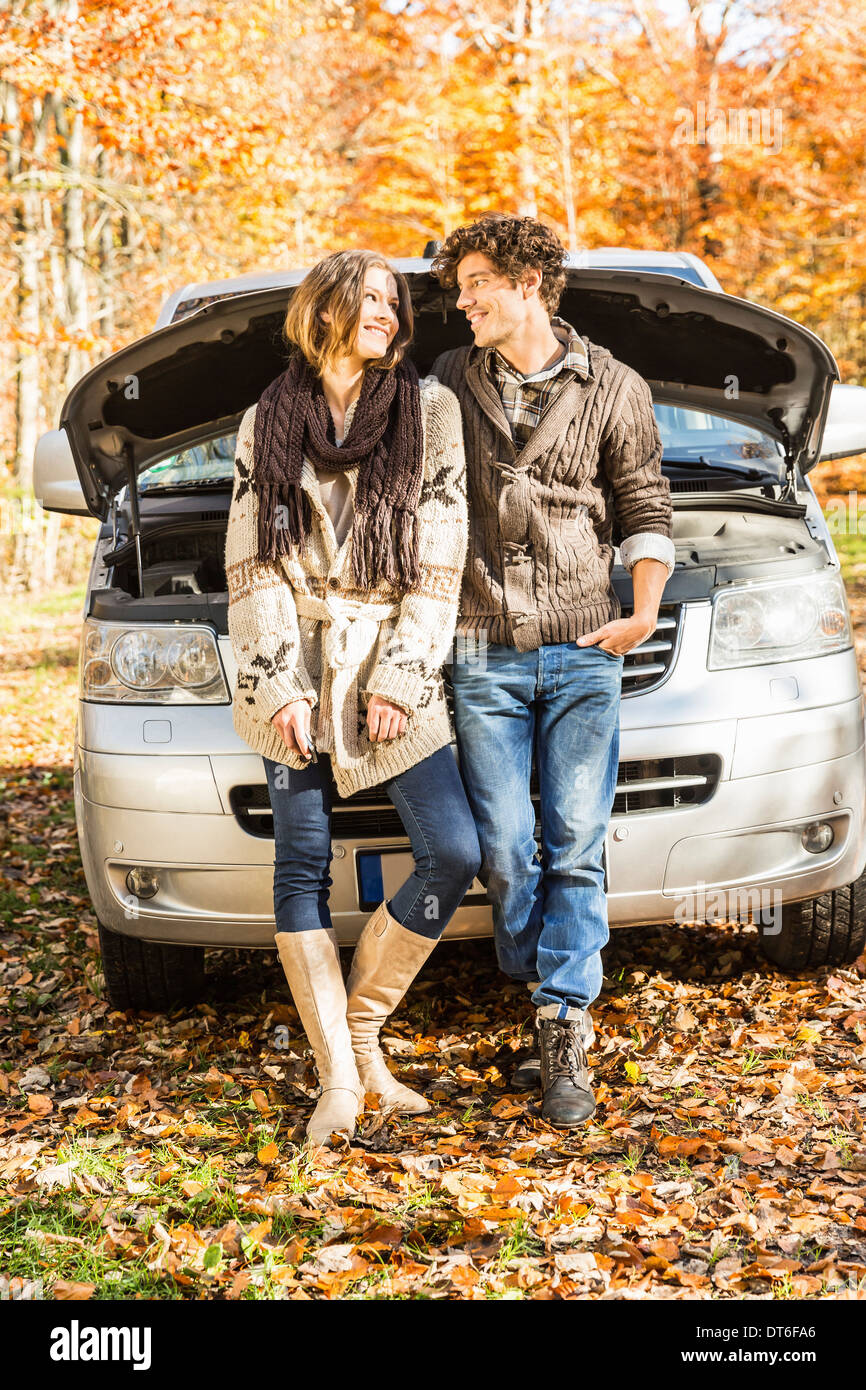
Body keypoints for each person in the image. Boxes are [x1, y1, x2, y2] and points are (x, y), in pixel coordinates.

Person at [225, 249, 481, 1147]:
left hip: (388, 661)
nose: (386, 313)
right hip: (290, 662)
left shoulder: (430, 410)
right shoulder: (272, 415)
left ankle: (366, 1032)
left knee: (452, 850)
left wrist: (404, 678)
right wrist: (279, 685)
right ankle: (340, 1076)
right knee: (299, 864)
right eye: (369, 298)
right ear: (326, 308)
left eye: (393, 302)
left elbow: (441, 560)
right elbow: (251, 559)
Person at [429, 214, 675, 1128]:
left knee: (573, 841)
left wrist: (643, 609)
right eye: (457, 286)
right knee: (505, 850)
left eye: (477, 283)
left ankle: (562, 1023)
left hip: (582, 652)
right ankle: (544, 981)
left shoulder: (615, 386)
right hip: (480, 650)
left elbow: (646, 504)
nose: (461, 302)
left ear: (529, 282)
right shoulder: (449, 380)